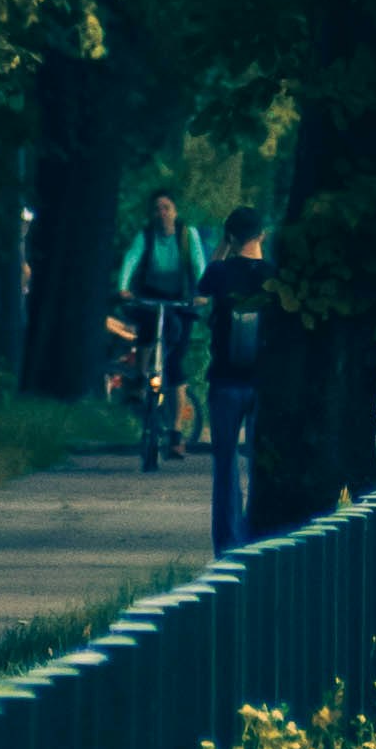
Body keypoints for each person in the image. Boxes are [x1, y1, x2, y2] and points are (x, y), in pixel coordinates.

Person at [115, 191, 208, 469]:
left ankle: (177, 433)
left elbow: (199, 264)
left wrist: (202, 292)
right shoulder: (146, 235)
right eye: (157, 209)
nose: (162, 213)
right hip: (152, 296)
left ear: (176, 211)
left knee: (176, 363)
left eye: (167, 207)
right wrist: (124, 286)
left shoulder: (186, 235)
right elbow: (131, 259)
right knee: (145, 330)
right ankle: (140, 379)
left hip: (180, 300)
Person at [200, 208, 267, 552]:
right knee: (262, 461)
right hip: (264, 382)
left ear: (229, 237)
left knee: (225, 463)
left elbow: (200, 293)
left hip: (225, 380)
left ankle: (227, 541)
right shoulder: (273, 276)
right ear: (262, 234)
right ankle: (259, 534)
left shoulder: (219, 272)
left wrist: (222, 250)